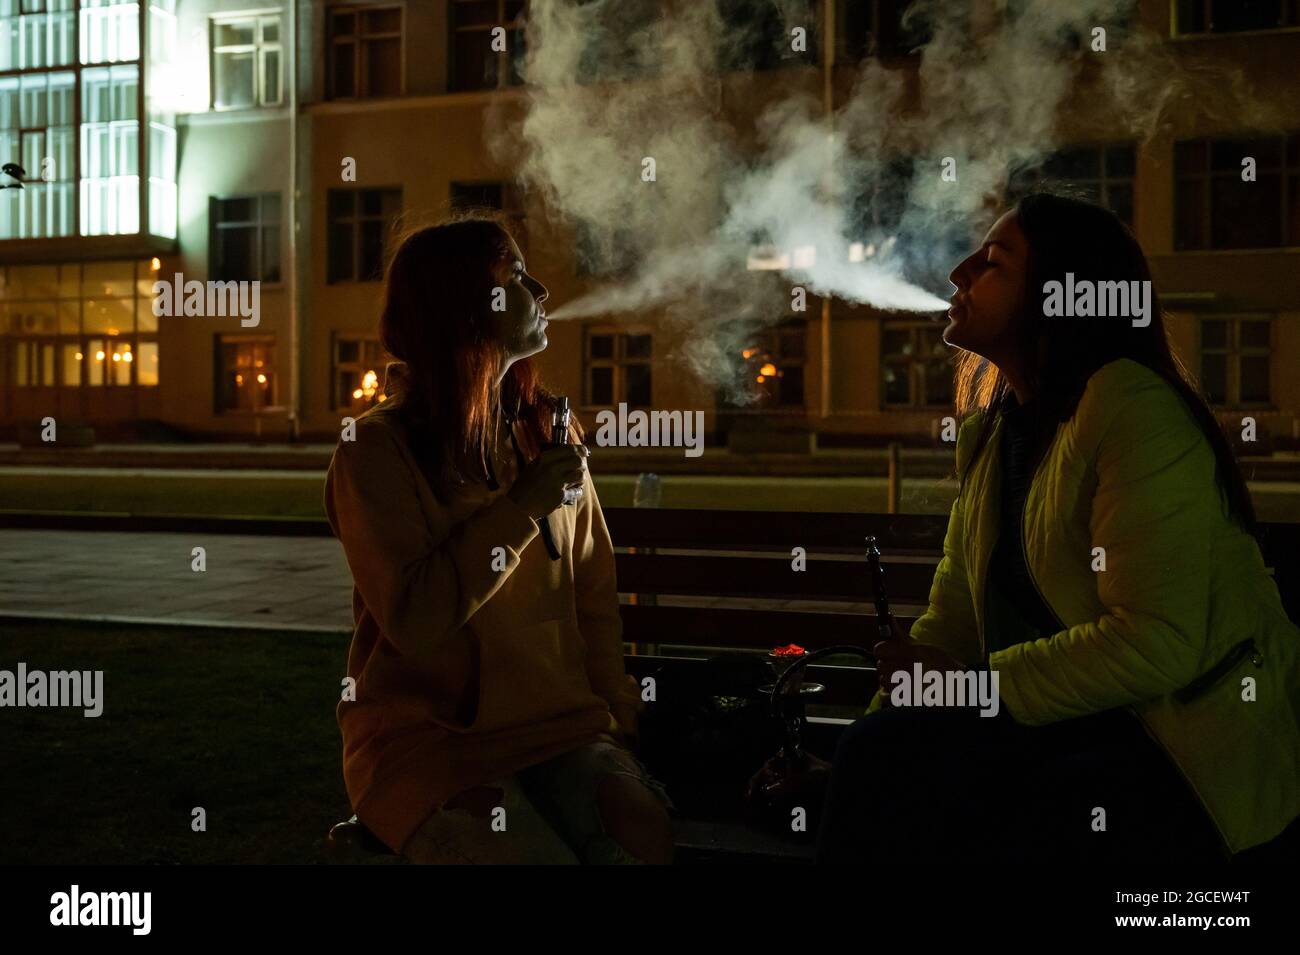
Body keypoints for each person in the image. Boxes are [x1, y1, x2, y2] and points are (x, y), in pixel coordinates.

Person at [816, 193, 1300, 864]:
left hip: (1175, 753)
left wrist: (964, 690)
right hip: (1054, 729)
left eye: (992, 262)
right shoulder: (997, 434)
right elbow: (948, 624)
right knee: (875, 760)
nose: (958, 272)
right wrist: (856, 746)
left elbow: (1157, 642)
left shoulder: (1131, 408)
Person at [324, 214, 674, 864]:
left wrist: (617, 711)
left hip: (561, 726)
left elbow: (592, 590)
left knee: (642, 829)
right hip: (429, 743)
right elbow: (417, 618)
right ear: (464, 308)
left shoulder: (548, 431)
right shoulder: (375, 450)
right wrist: (522, 507)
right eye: (515, 275)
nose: (540, 288)